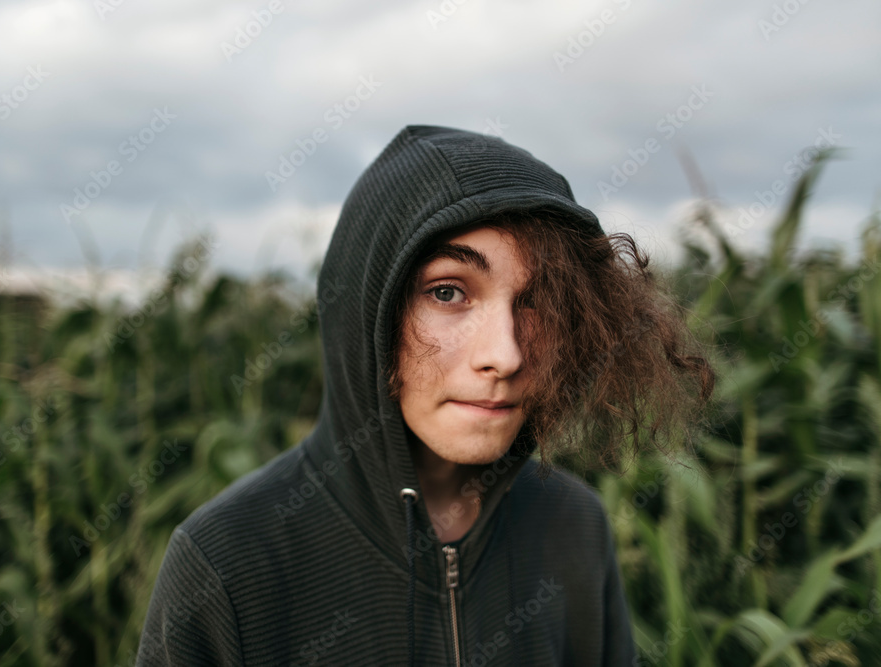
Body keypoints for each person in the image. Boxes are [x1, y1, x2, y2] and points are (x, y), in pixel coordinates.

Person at [135, 124, 714, 666]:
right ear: (368, 311)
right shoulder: (229, 562)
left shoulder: (574, 527)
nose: (506, 355)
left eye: (537, 300)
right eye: (447, 292)